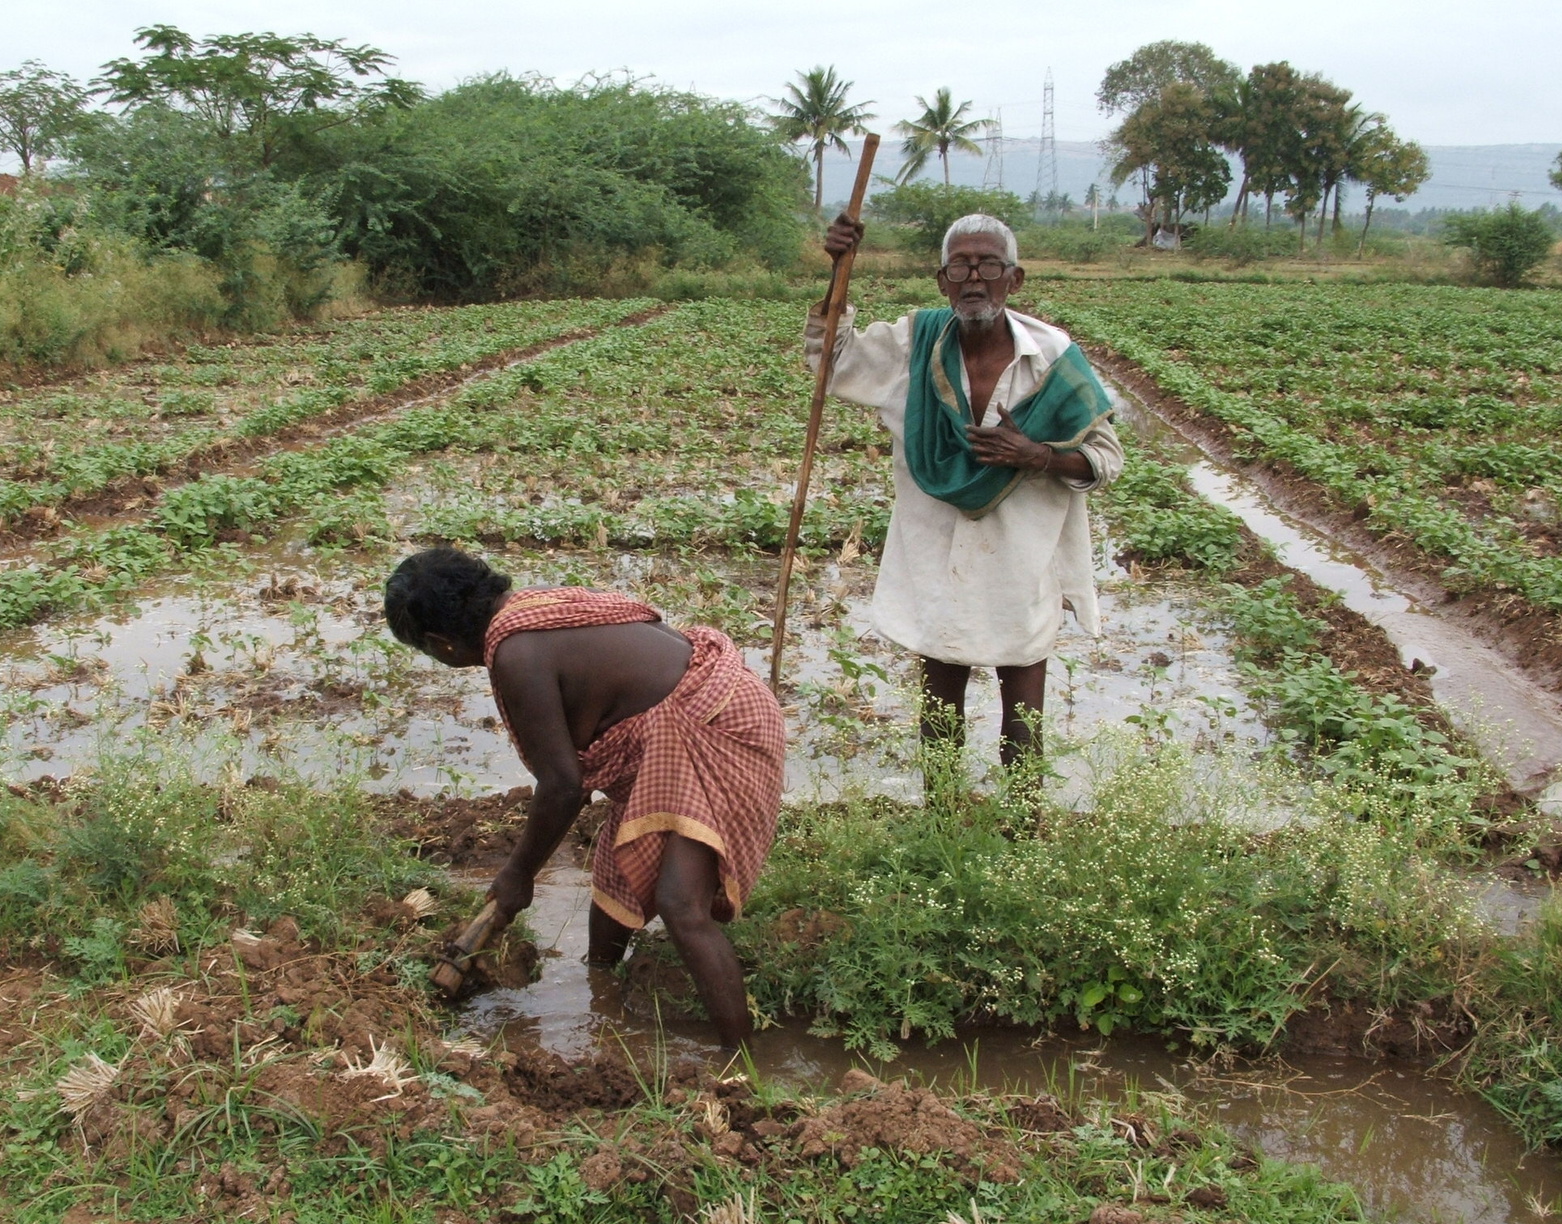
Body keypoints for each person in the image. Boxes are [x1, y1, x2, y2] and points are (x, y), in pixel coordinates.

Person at [382, 547, 786, 1049]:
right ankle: (601, 997)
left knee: (682, 904)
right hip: (684, 725)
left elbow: (564, 785)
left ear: (442, 643)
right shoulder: (536, 608)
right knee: (616, 873)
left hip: (717, 723)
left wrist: (518, 874)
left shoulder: (517, 652)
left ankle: (742, 1065)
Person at [808, 213, 1123, 785]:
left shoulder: (1052, 357)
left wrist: (1038, 456)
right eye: (961, 265)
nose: (974, 277)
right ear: (942, 280)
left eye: (989, 265)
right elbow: (833, 358)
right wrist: (838, 272)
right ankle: (943, 826)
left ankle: (1024, 829)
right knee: (939, 702)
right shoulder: (915, 344)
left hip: (1022, 557)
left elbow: (1105, 457)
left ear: (1015, 279)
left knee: (1024, 710)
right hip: (937, 546)